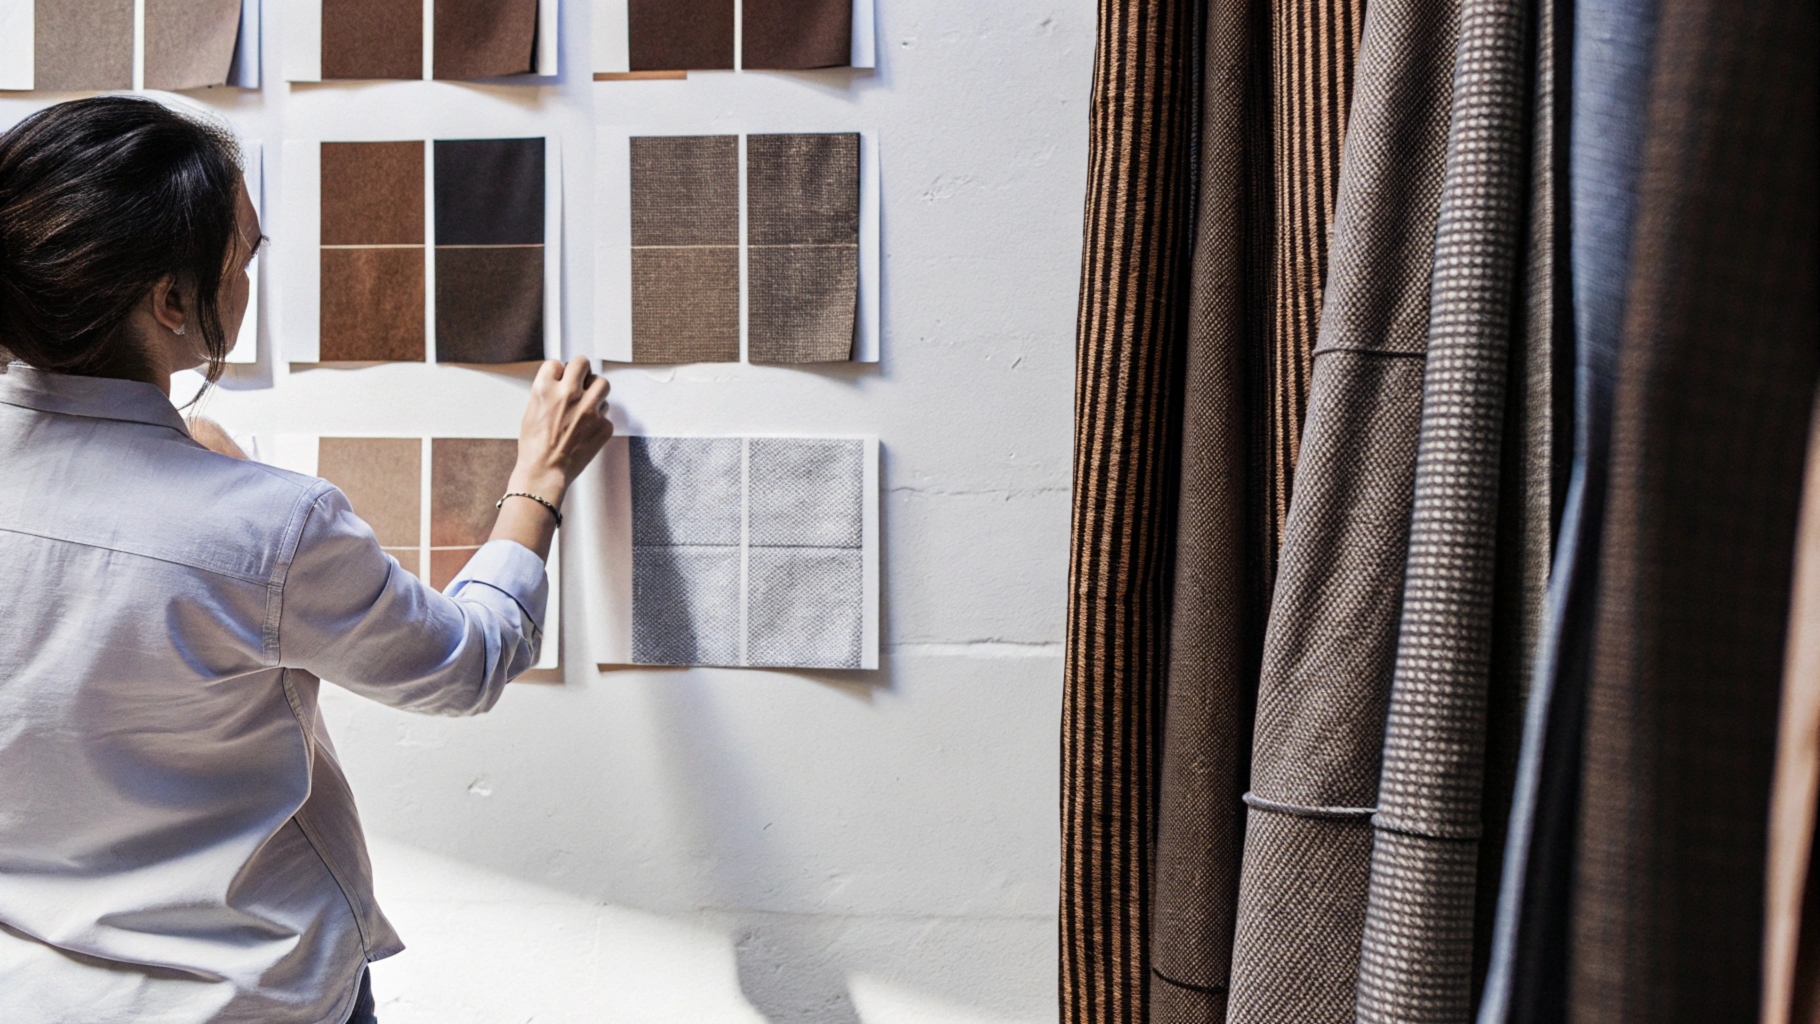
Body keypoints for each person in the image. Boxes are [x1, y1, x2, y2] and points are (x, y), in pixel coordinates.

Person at [0, 97, 613, 1023]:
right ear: (172, 302)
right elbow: (467, 664)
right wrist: (541, 476)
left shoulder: (242, 520)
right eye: (244, 254)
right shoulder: (271, 528)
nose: (251, 271)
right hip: (247, 996)